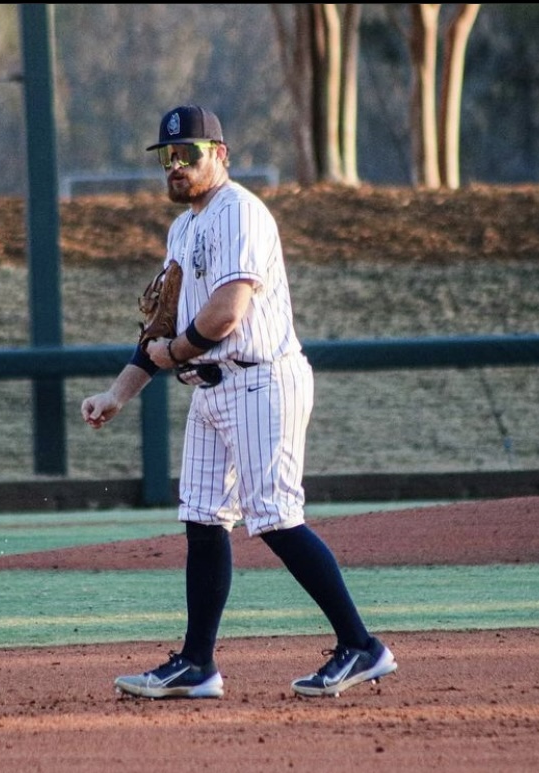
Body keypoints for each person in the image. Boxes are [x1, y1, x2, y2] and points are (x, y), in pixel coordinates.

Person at [80, 104, 396, 699]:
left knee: (274, 516)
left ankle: (362, 646)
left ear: (220, 156)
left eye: (188, 153)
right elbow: (163, 327)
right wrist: (118, 393)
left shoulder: (241, 213)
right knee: (202, 518)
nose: (175, 165)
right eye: (167, 156)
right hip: (210, 386)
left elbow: (227, 314)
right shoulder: (183, 228)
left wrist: (175, 350)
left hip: (261, 379)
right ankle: (198, 665)